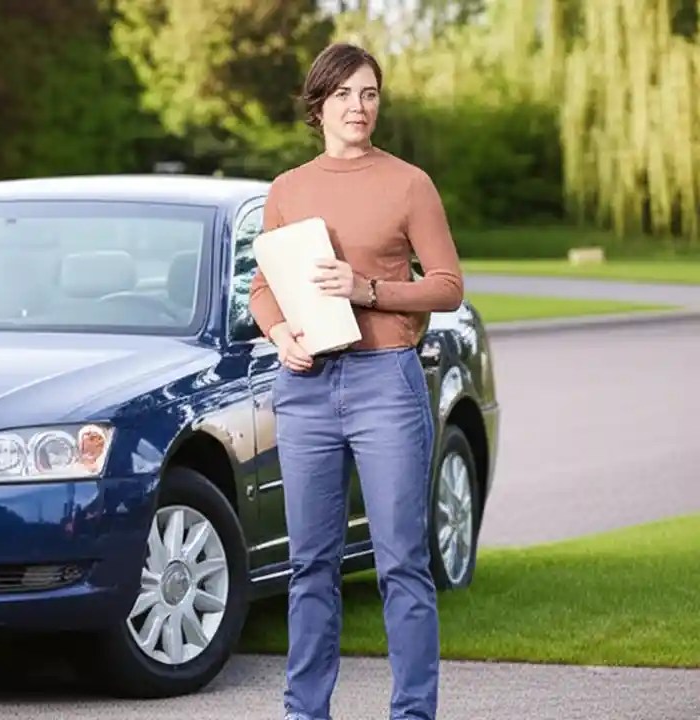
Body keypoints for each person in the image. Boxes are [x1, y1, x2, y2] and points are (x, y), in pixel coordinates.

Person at [247, 43, 464, 720]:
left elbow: (449, 287)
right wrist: (281, 335)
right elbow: (263, 288)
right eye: (343, 95)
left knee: (401, 562)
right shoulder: (287, 189)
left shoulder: (408, 183)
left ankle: (413, 714)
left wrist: (366, 288)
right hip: (306, 392)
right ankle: (304, 712)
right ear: (319, 106)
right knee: (310, 565)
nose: (358, 107)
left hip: (385, 386)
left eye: (369, 94)